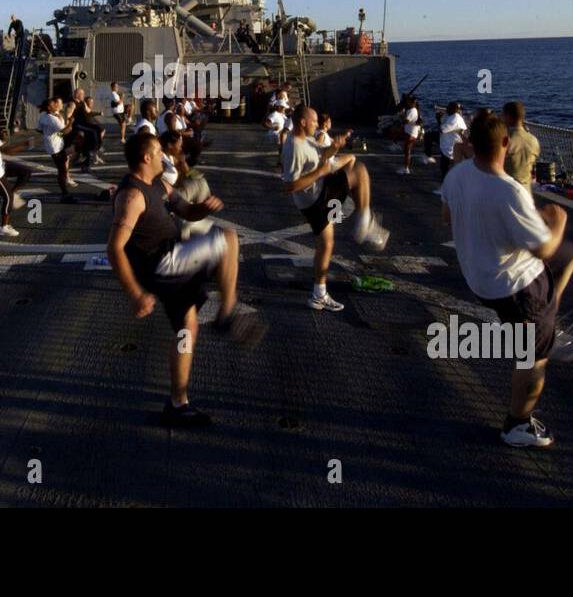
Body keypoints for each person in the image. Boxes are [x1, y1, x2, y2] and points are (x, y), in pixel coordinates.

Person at [441, 112, 573, 447]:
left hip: (477, 276)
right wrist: (558, 220)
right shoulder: (510, 192)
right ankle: (517, 424)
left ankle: (547, 318)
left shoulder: (457, 174)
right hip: (514, 287)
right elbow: (544, 249)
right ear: (506, 142)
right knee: (531, 358)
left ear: (471, 143)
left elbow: (447, 215)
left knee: (568, 256)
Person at [107, 132, 259, 427]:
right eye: (158, 152)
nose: (163, 156)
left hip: (171, 258)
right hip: (162, 265)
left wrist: (204, 208)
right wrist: (135, 293)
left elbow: (187, 211)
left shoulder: (159, 184)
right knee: (228, 239)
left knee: (186, 328)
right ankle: (227, 311)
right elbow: (114, 248)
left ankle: (178, 403)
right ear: (146, 158)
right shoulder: (132, 196)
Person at [282, 104, 389, 312]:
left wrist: (336, 147)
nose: (317, 125)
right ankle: (364, 224)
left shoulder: (307, 139)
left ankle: (318, 295)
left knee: (326, 244)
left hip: (317, 196)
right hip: (316, 197)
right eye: (314, 121)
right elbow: (290, 186)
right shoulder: (294, 146)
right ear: (303, 122)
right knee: (359, 171)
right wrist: (320, 173)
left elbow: (322, 155)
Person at [0, 112, 34, 236]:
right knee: (8, 198)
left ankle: (13, 192)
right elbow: (7, 151)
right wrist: (24, 145)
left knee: (25, 172)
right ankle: (4, 226)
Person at [39, 97, 79, 203]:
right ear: (49, 107)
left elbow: (40, 129)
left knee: (63, 166)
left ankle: (65, 193)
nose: (56, 105)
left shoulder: (43, 115)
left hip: (52, 143)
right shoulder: (53, 119)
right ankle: (65, 194)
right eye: (54, 104)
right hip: (56, 147)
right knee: (62, 171)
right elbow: (65, 131)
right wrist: (71, 122)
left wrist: (53, 134)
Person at [503, 101, 541, 191]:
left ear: (508, 117)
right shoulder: (533, 140)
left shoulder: (506, 140)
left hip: (507, 189)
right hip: (526, 190)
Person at [437, 101, 468, 192]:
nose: (447, 108)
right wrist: (441, 118)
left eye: (449, 107)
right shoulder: (452, 116)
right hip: (449, 144)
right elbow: (444, 123)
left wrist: (438, 119)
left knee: (446, 169)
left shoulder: (455, 118)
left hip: (451, 146)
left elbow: (442, 129)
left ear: (453, 109)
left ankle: (445, 189)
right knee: (446, 168)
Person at [392, 94, 424, 175]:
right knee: (395, 131)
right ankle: (406, 167)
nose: (407, 103)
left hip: (410, 133)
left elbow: (405, 121)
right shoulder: (415, 109)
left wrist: (401, 115)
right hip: (411, 132)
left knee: (407, 151)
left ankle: (406, 169)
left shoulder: (411, 111)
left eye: (408, 102)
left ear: (411, 103)